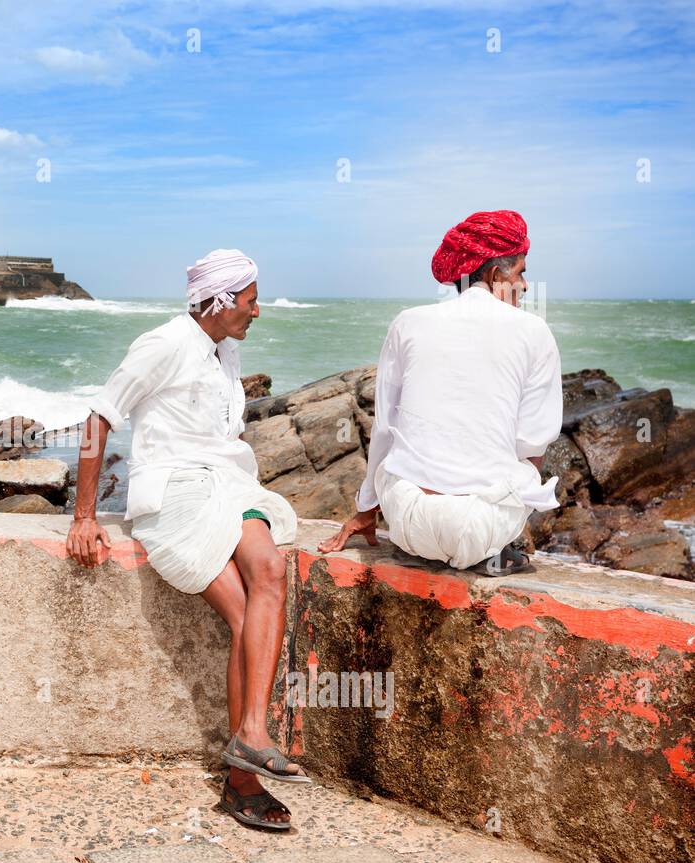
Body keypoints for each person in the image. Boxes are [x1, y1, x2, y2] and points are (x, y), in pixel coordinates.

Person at [66, 249, 304, 831]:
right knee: (248, 608)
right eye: (249, 300)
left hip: (225, 484)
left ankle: (248, 741)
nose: (256, 310)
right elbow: (99, 418)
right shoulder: (165, 344)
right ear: (221, 301)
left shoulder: (227, 351)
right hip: (173, 496)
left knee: (268, 574)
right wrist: (83, 515)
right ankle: (243, 776)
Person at [319, 210, 563, 574]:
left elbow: (385, 428)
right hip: (482, 529)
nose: (526, 285)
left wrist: (365, 510)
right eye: (521, 272)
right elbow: (532, 443)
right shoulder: (534, 331)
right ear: (496, 275)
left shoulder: (407, 322)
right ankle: (494, 551)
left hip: (407, 521)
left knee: (397, 451)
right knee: (528, 463)